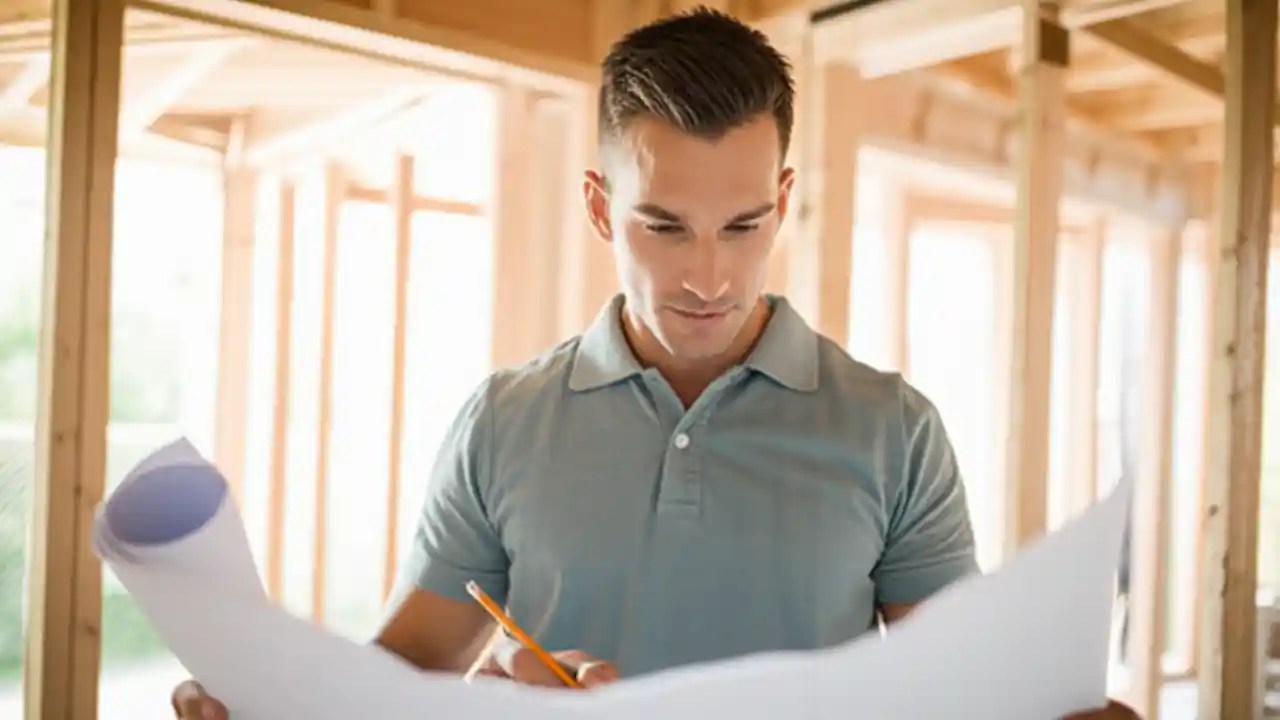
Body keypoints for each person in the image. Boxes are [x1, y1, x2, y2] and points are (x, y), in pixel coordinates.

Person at [174, 8, 1138, 719]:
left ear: (783, 200)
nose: (708, 278)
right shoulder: (502, 420)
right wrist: (270, 699)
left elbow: (956, 692)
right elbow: (402, 678)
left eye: (744, 226)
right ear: (601, 207)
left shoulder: (897, 430)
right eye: (664, 227)